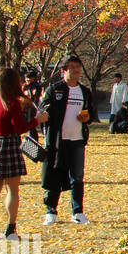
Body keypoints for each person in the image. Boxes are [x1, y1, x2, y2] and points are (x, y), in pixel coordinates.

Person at [0, 67, 49, 240]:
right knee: (13, 189)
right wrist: (37, 120)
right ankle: (10, 228)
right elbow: (19, 128)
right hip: (8, 143)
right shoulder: (13, 102)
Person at [39, 55, 93, 225]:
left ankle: (77, 212)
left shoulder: (85, 91)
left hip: (76, 140)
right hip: (57, 141)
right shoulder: (54, 90)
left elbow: (91, 113)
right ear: (63, 70)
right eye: (72, 67)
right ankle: (51, 211)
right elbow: (43, 113)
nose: (76, 70)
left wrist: (86, 118)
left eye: (78, 66)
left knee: (77, 176)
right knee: (53, 175)